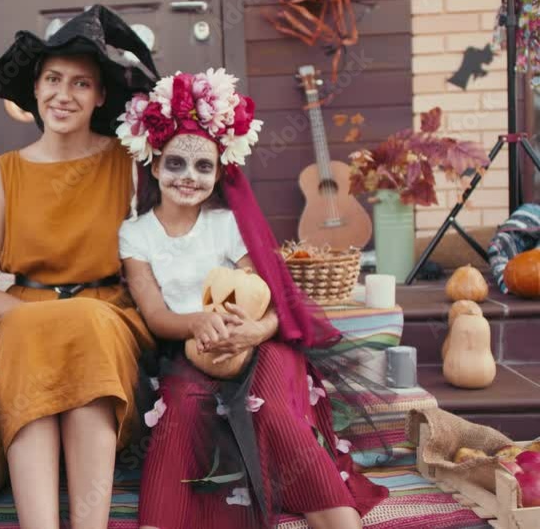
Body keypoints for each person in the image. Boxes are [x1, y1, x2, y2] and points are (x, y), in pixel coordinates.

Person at [115, 70, 388, 529]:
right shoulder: (136, 234)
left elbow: (264, 295)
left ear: (220, 172)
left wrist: (255, 330)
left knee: (272, 407)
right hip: (188, 347)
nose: (189, 177)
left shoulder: (226, 224)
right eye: (176, 164)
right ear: (155, 164)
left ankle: (336, 519)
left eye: (204, 167)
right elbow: (157, 314)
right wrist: (199, 324)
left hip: (259, 342)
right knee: (183, 406)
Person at [0, 5, 160, 528]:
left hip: (105, 315)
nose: (63, 95)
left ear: (99, 97)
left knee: (86, 326)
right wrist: (36, 316)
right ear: (35, 89)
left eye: (80, 83)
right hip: (24, 316)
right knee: (36, 330)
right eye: (52, 79)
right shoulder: (6, 173)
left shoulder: (127, 160)